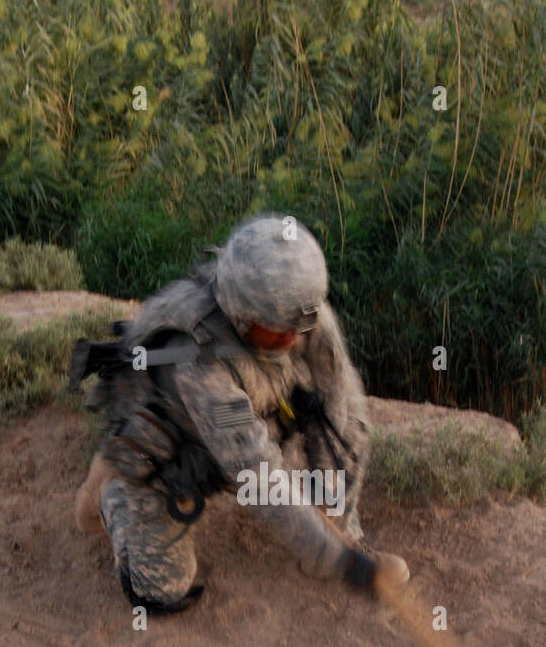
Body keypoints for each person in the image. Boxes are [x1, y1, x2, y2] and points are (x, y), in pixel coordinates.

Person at [72, 214, 409, 612]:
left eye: (299, 325)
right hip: (175, 449)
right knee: (160, 593)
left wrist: (340, 526)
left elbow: (344, 416)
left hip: (250, 422)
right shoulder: (200, 362)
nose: (292, 337)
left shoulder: (298, 310)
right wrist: (338, 563)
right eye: (278, 328)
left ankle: (332, 537)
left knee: (338, 429)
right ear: (241, 314)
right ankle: (113, 496)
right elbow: (257, 475)